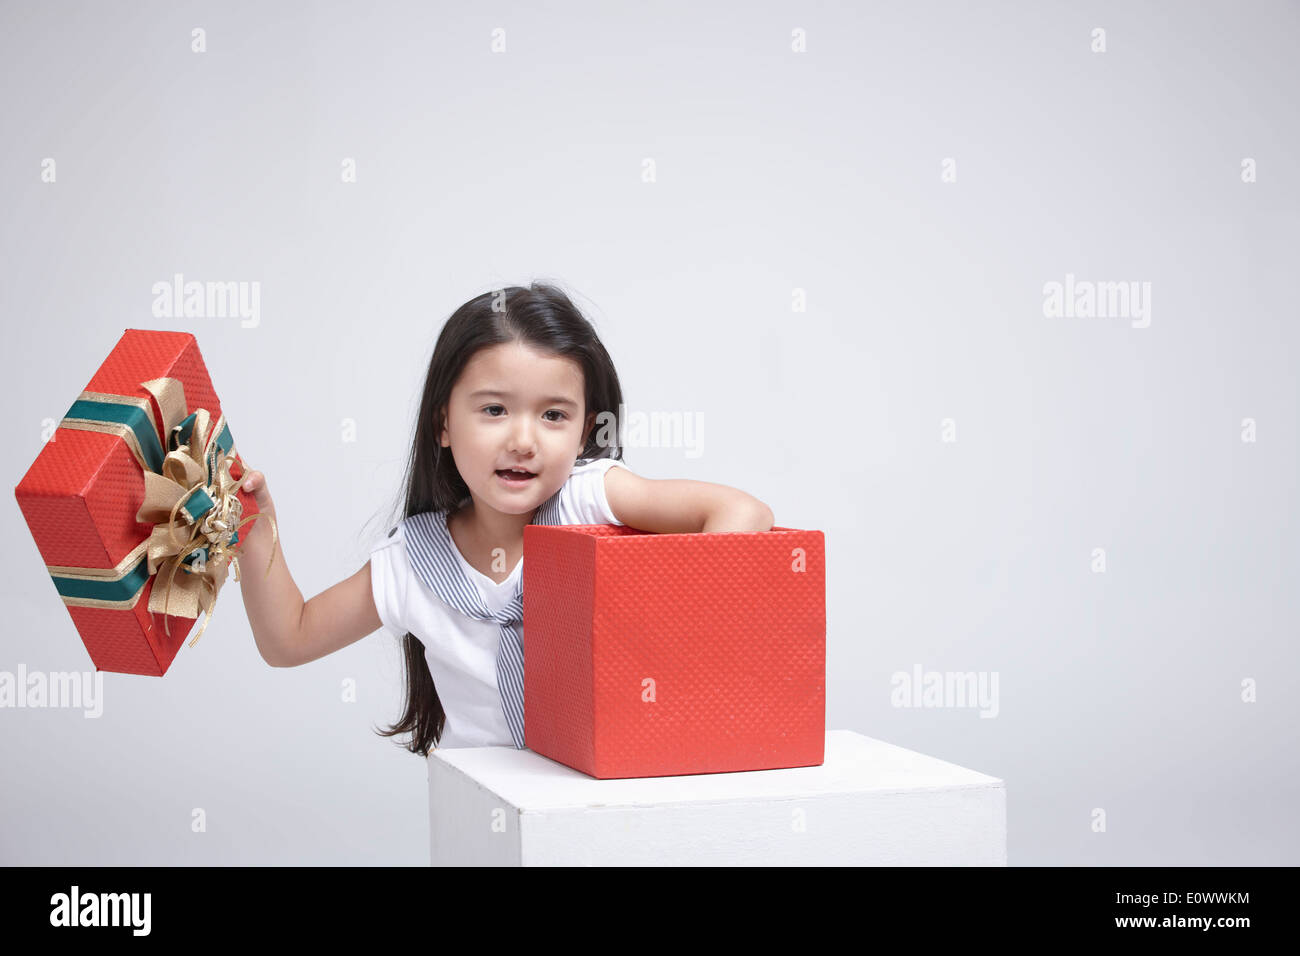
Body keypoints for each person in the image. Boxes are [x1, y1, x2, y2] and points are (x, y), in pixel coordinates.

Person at [236, 283, 774, 757]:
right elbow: (289, 639)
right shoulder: (412, 564)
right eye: (494, 410)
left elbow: (742, 512)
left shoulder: (592, 498)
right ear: (442, 423)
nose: (523, 441)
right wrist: (257, 531)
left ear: (585, 432)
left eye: (554, 415)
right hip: (487, 813)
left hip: (608, 795)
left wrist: (671, 618)